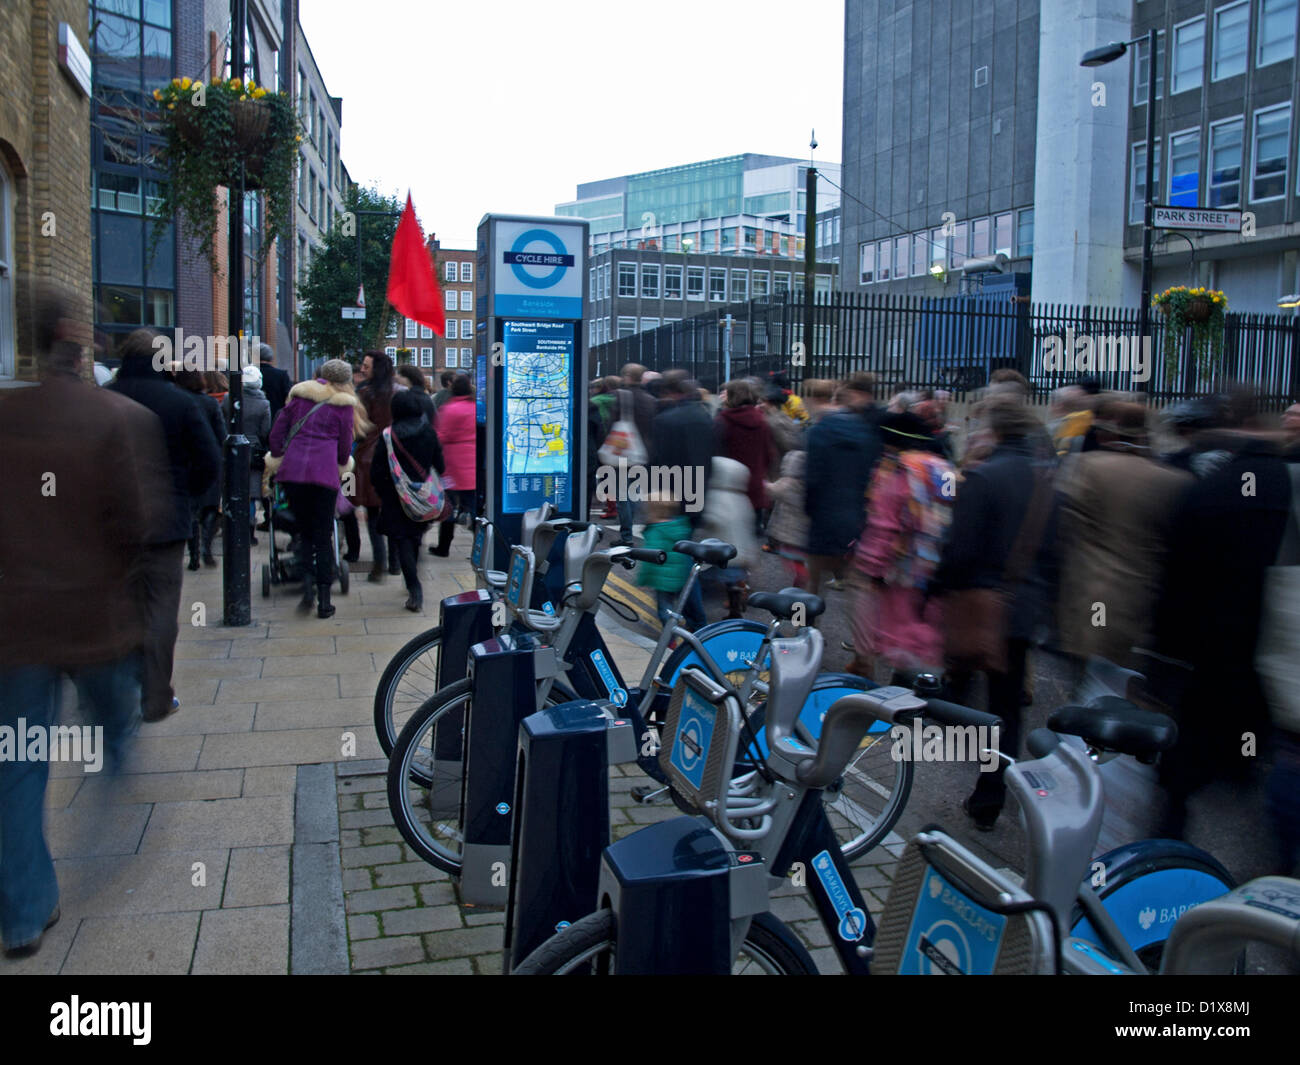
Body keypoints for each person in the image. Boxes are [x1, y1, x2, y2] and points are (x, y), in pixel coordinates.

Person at [0, 283, 170, 959]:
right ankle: (105, 838)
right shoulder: (114, 419)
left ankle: (22, 911)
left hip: (15, 627)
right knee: (114, 734)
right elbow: (138, 525)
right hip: (95, 619)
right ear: (74, 334)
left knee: (17, 764)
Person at [932, 397, 1058, 831]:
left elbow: (961, 550)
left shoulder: (983, 477)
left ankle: (955, 755)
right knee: (1006, 707)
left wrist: (936, 587)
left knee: (964, 685)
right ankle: (992, 792)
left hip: (979, 605)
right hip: (1022, 608)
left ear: (995, 431)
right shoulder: (1047, 481)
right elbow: (1057, 552)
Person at [108, 329, 221, 721]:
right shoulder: (181, 401)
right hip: (164, 525)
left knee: (116, 604)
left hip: (108, 526)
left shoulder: (103, 398)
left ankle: (111, 692)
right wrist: (183, 497)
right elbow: (210, 462)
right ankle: (155, 697)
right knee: (160, 611)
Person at [1056, 400, 1190, 674]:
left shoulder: (1089, 466)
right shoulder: (1175, 480)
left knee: (1090, 678)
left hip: (1095, 596)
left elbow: (1062, 525)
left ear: (1112, 432)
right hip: (1145, 601)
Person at [848, 411, 955, 678]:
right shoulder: (945, 469)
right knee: (918, 629)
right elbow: (952, 515)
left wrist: (872, 567)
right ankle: (915, 685)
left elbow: (884, 523)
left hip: (895, 566)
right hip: (933, 567)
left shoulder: (896, 469)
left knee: (878, 623)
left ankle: (872, 683)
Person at [266, 359, 369, 618]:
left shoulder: (299, 395)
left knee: (304, 532)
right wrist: (341, 462)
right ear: (344, 380)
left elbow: (276, 436)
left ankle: (307, 590)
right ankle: (324, 600)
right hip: (323, 475)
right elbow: (345, 446)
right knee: (323, 535)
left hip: (293, 474)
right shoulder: (344, 405)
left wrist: (279, 455)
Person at [804, 372, 882, 597]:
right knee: (855, 588)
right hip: (856, 518)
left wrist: (810, 510)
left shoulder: (818, 432)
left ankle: (806, 628)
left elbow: (813, 480)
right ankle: (859, 632)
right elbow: (871, 475)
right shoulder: (866, 432)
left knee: (814, 585)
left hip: (824, 518)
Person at [371, 389, 445, 611]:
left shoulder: (388, 435)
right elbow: (440, 466)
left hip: (395, 496)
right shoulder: (429, 432)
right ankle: (412, 578)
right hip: (422, 496)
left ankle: (414, 587)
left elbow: (377, 470)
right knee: (414, 537)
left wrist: (384, 491)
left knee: (402, 539)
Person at [173, 368, 226, 568]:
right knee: (210, 506)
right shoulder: (210, 403)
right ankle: (207, 549)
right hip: (208, 459)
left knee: (191, 510)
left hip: (183, 461)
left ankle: (193, 556)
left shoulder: (175, 401)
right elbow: (221, 435)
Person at [355, 351, 401, 580]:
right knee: (392, 510)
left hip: (369, 458)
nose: (362, 369)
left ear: (377, 369)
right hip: (394, 458)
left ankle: (379, 563)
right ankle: (394, 562)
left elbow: (358, 427)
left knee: (373, 513)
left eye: (366, 366)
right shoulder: (398, 393)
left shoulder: (364, 393)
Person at [648, 370, 714, 527]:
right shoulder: (705, 416)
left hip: (671, 491)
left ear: (668, 390)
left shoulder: (664, 420)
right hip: (699, 486)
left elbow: (658, 459)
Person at [698, 457, 759, 618]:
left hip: (721, 552)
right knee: (733, 582)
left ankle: (696, 617)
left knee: (704, 578)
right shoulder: (742, 498)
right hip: (740, 552)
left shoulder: (716, 497)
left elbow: (711, 520)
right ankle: (735, 609)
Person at [223, 362, 272, 545]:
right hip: (254, 453)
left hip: (232, 451)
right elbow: (266, 430)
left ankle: (233, 527)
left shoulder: (229, 398)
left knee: (232, 490)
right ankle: (249, 531)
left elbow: (223, 421)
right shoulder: (264, 404)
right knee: (251, 494)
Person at [714, 378, 775, 525]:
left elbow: (716, 452)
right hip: (754, 482)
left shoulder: (722, 420)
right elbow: (768, 453)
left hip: (729, 483)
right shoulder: (762, 421)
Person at [430, 374, 476, 557]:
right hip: (472, 463)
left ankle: (444, 547)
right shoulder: (475, 407)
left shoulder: (449, 409)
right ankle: (480, 548)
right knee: (472, 508)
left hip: (452, 465)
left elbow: (440, 435)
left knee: (448, 506)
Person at [612, 363, 657, 545]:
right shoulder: (650, 399)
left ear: (628, 377)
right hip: (643, 452)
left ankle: (626, 536)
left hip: (623, 451)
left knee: (623, 496)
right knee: (636, 492)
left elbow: (611, 425)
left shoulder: (621, 396)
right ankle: (642, 525)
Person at [764, 447, 810, 588]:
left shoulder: (787, 483)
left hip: (789, 533)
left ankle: (804, 578)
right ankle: (800, 582)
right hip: (803, 532)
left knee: (788, 556)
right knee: (799, 558)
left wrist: (762, 482)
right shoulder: (806, 483)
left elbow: (771, 491)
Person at [258, 343, 291, 422]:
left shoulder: (250, 374)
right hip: (277, 418)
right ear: (271, 357)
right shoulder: (281, 375)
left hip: (254, 421)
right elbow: (288, 397)